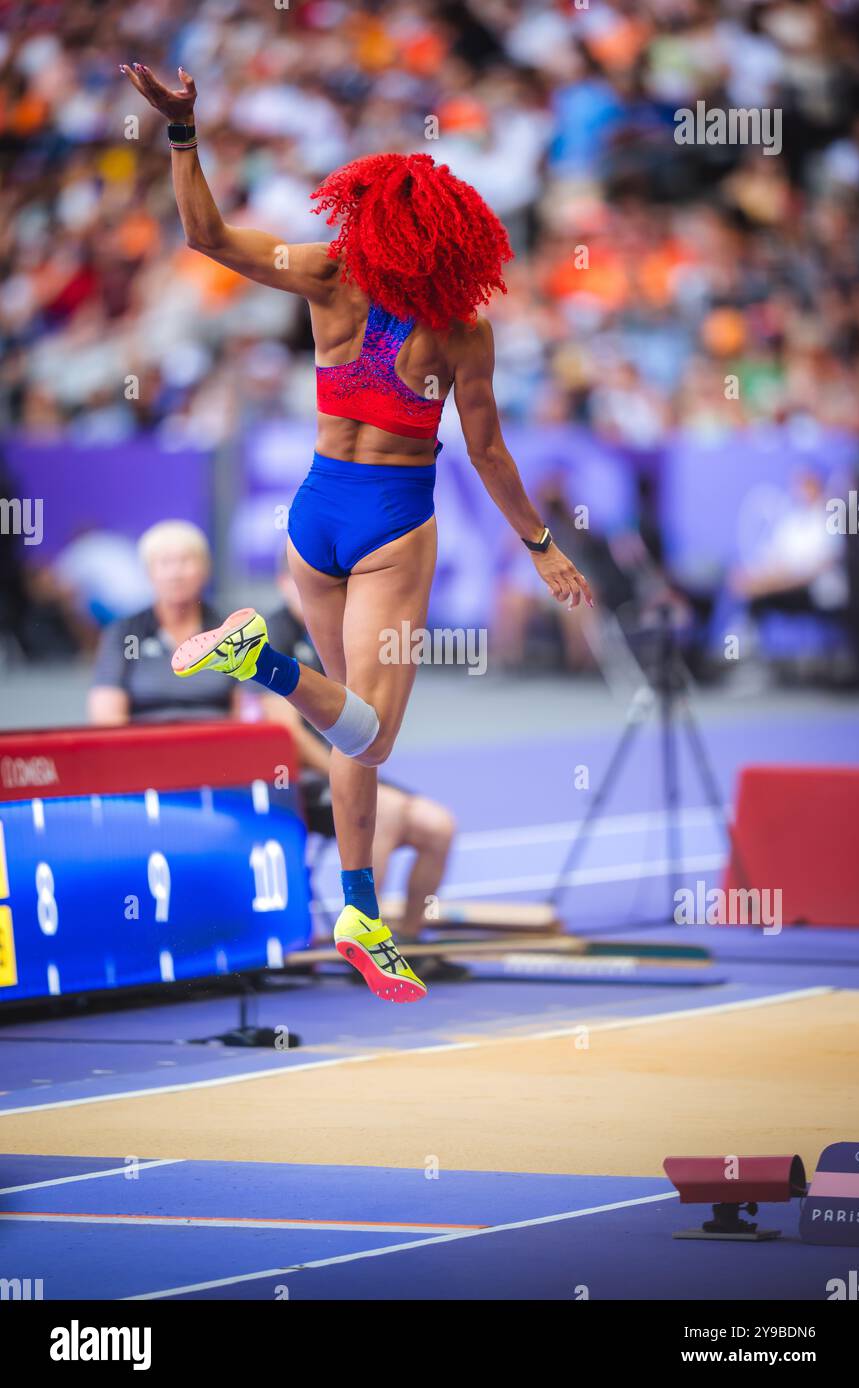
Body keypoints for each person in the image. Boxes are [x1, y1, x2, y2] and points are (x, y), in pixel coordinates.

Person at [121, 62, 592, 1003]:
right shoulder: (461, 330)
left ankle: (360, 911)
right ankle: (261, 661)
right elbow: (491, 455)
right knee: (370, 735)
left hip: (313, 515)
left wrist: (182, 131)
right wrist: (543, 547)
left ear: (367, 216)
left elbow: (202, 234)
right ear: (456, 237)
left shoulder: (326, 273)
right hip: (389, 523)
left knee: (346, 727)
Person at [259, 569, 465, 983]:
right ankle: (369, 941)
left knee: (438, 826)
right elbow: (283, 729)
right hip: (300, 779)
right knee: (387, 811)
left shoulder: (346, 626)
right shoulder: (276, 635)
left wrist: (361, 757)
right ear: (286, 584)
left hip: (357, 762)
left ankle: (407, 939)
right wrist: (349, 760)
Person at [88, 520, 237, 725]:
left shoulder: (230, 631)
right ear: (148, 573)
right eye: (164, 563)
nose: (175, 574)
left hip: (220, 747)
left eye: (186, 561)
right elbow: (107, 718)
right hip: (144, 751)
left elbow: (249, 712)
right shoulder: (124, 633)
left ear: (205, 570)